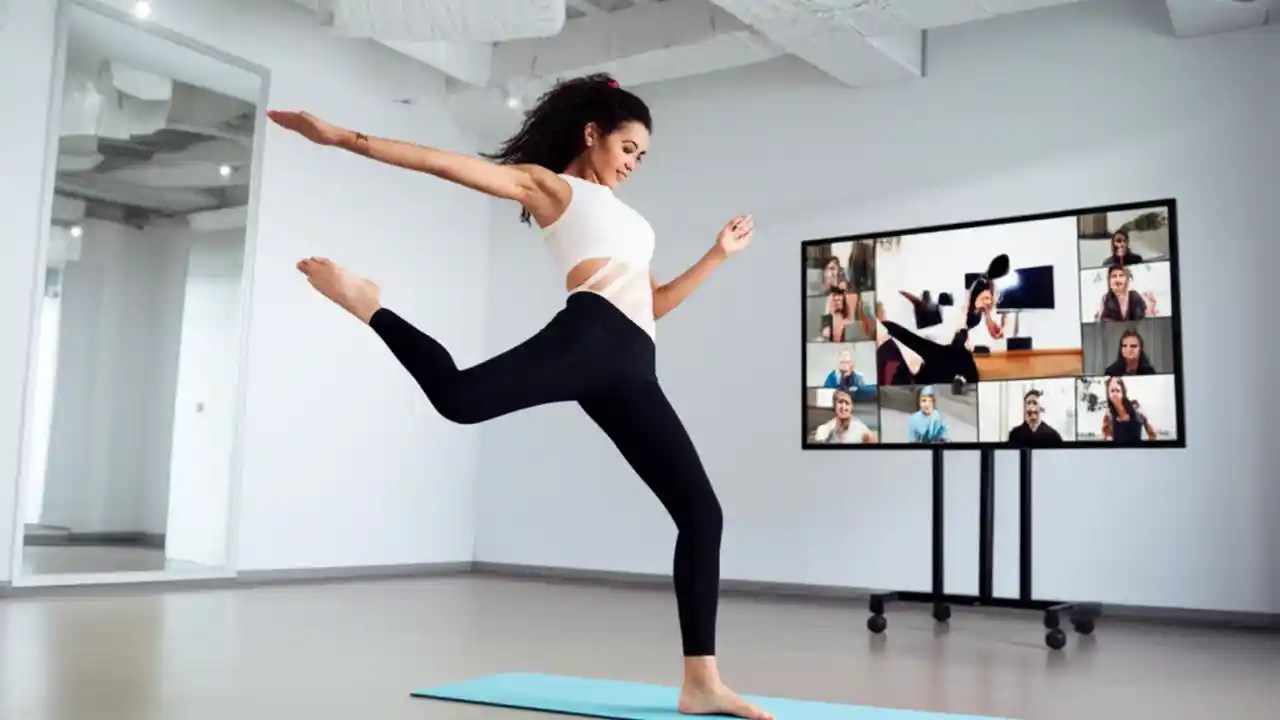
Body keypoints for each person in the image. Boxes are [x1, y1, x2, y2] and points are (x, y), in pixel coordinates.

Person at [267, 73, 772, 720]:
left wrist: (717, 255)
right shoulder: (552, 187)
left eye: (643, 156)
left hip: (633, 367)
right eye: (627, 147)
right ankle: (370, 305)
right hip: (589, 338)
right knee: (459, 398)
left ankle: (701, 682)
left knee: (702, 515)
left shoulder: (634, 222)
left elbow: (654, 305)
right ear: (592, 135)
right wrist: (341, 137)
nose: (633, 163)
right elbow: (439, 164)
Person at [1100, 377, 1157, 442]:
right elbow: (1106, 438)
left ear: (1123, 393)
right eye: (1112, 391)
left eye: (1118, 391)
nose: (1115, 394)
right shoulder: (1108, 415)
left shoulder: (1135, 409)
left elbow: (1149, 432)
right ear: (1108, 394)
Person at [811, 388, 877, 444]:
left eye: (847, 403)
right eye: (840, 402)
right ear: (834, 405)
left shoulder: (861, 430)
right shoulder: (824, 430)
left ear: (851, 407)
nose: (843, 407)